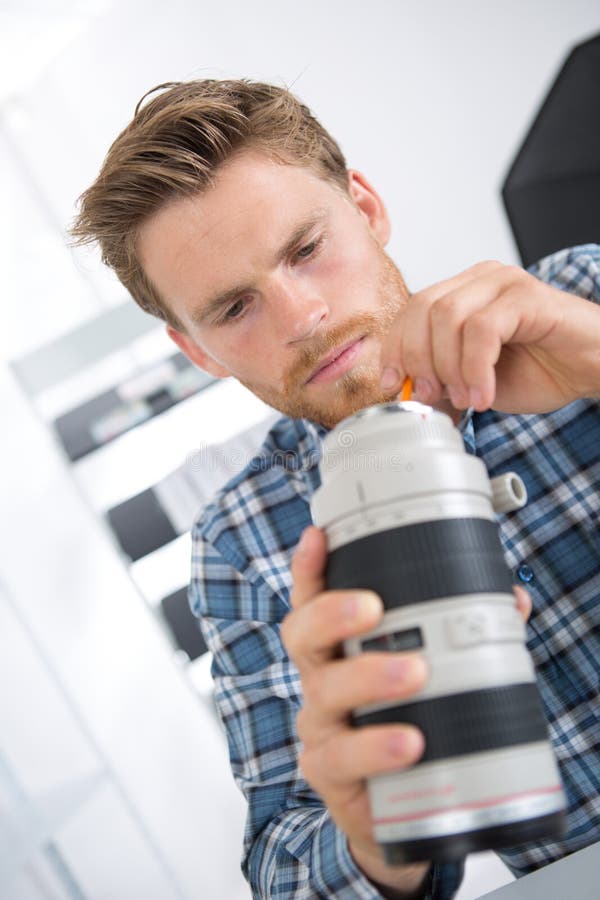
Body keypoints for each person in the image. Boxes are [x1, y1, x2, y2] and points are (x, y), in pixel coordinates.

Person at [71, 79, 600, 899]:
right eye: (235, 306)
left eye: (305, 248)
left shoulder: (581, 301)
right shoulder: (243, 541)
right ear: (199, 351)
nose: (301, 316)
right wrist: (373, 841)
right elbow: (283, 861)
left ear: (367, 206)